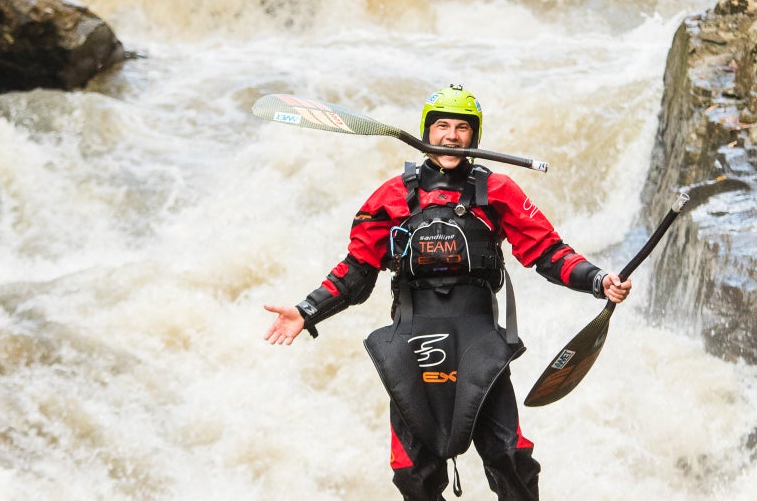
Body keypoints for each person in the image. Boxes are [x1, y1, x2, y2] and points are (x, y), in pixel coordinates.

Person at [263, 84, 630, 501]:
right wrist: (306, 310)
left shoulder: (498, 191)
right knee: (412, 474)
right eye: (441, 126)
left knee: (511, 457)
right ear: (426, 132)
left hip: (479, 342)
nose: (451, 136)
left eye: (462, 128)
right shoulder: (392, 197)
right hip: (412, 344)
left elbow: (547, 251)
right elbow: (357, 271)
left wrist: (597, 280)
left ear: (474, 136)